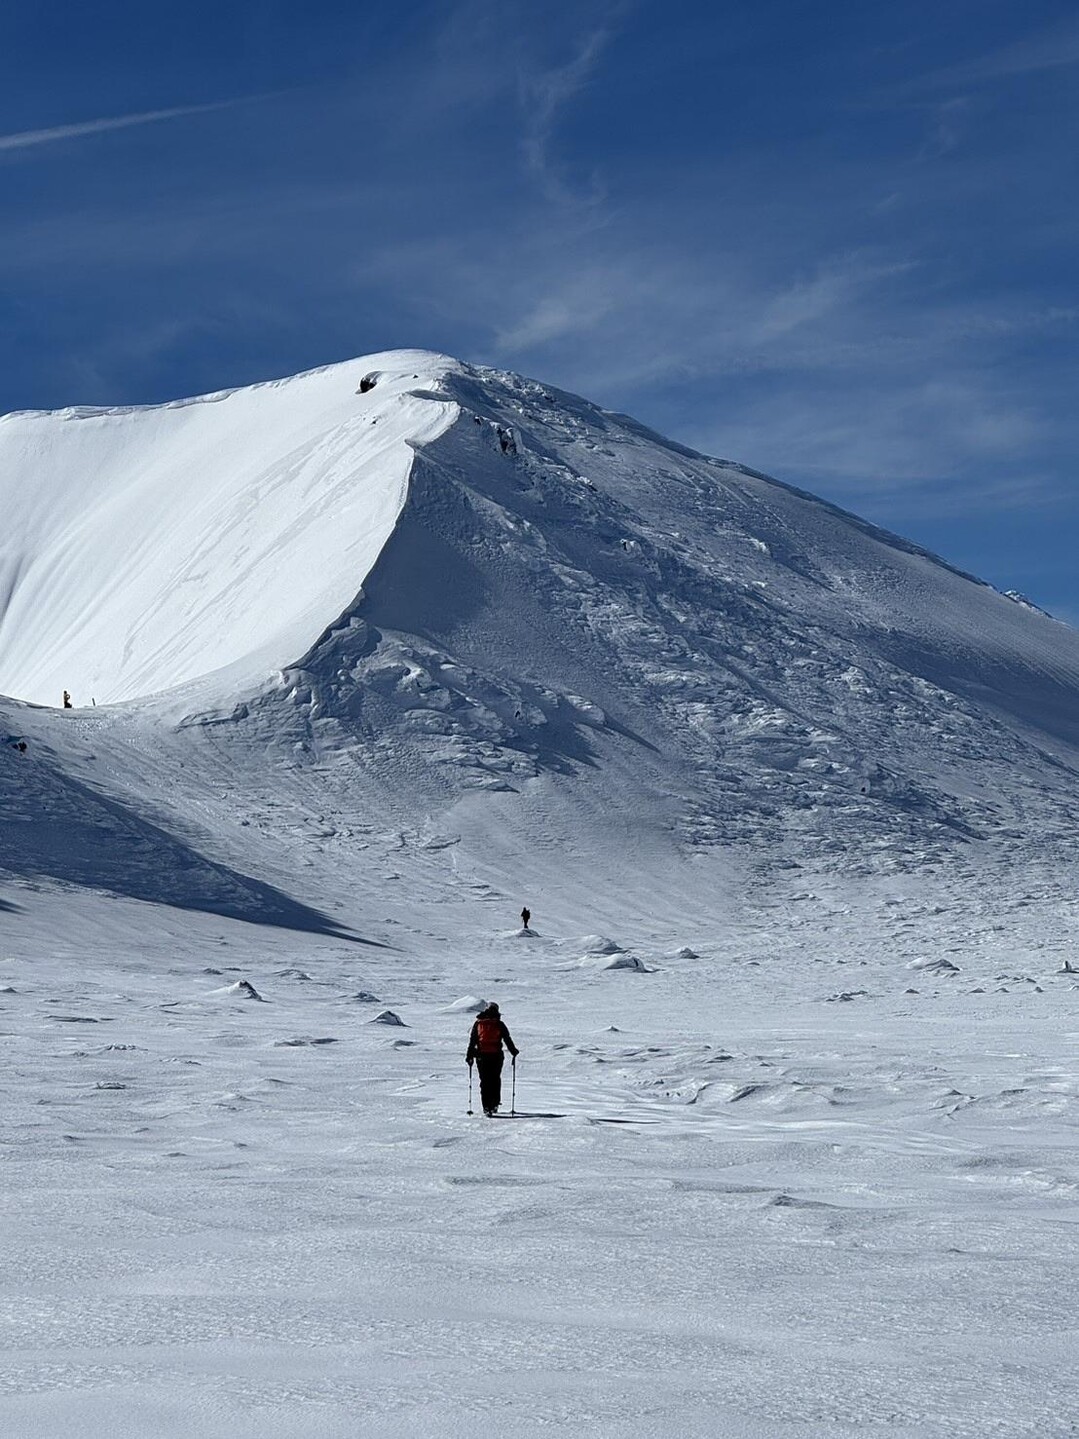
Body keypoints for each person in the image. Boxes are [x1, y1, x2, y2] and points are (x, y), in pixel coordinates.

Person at [466, 1003, 519, 1116]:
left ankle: (486, 1107)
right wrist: (513, 1051)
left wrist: (469, 1056)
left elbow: (473, 1041)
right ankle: (494, 1104)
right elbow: (507, 1039)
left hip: (481, 1056)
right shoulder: (499, 1024)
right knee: (495, 1079)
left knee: (484, 1081)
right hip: (496, 1056)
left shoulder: (478, 1023)